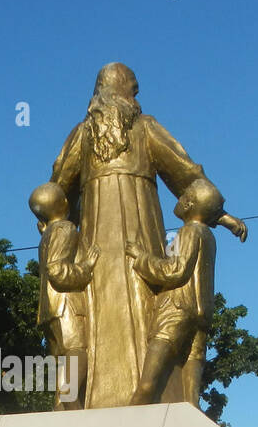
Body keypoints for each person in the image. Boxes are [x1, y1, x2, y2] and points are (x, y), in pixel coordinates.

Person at [48, 63, 245, 407]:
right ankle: (88, 401)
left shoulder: (142, 129)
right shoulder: (87, 134)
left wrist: (220, 215)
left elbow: (186, 176)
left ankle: (149, 394)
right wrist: (57, 228)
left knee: (147, 308)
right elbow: (59, 190)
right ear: (120, 89)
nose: (135, 98)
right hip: (100, 248)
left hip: (138, 237)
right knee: (94, 324)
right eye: (133, 90)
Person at [124, 178, 232, 406]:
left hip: (176, 310)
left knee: (146, 385)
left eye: (183, 197)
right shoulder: (208, 236)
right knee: (191, 400)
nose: (179, 200)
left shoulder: (187, 232)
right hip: (201, 315)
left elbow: (174, 270)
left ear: (190, 204)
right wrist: (226, 220)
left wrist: (140, 257)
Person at [30, 183, 97, 409]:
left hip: (50, 309)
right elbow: (58, 270)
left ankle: (62, 405)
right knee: (77, 354)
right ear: (66, 204)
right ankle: (73, 409)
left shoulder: (47, 233)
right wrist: (86, 267)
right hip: (66, 306)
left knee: (63, 365)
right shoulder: (65, 229)